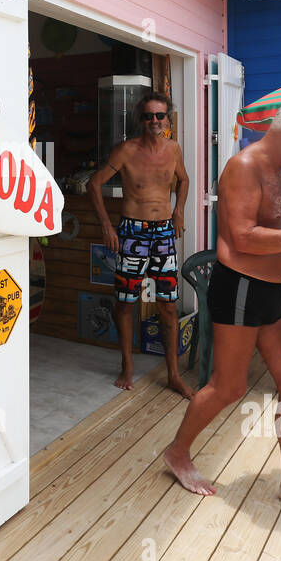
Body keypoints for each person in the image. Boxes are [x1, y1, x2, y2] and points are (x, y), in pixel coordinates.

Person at [162, 100, 281, 520]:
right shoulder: (243, 167)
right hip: (243, 289)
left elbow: (279, 232)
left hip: (275, 290)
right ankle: (177, 453)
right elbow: (245, 238)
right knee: (229, 387)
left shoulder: (279, 171)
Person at [88, 91, 193, 398]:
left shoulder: (173, 149)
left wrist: (178, 210)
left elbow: (183, 180)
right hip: (132, 232)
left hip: (163, 234)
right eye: (149, 116)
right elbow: (94, 183)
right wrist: (107, 225)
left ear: (167, 118)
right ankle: (127, 365)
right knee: (125, 302)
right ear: (141, 119)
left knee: (168, 305)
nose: (155, 121)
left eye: (160, 116)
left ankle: (173, 374)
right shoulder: (126, 150)